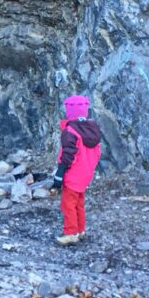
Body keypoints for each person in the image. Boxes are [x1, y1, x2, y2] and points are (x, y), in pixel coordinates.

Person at [50, 94, 102, 246]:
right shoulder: (93, 129)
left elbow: (68, 156)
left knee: (68, 204)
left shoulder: (70, 131)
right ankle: (80, 230)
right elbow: (97, 153)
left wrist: (59, 174)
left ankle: (70, 232)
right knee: (79, 202)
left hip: (73, 174)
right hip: (86, 173)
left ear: (69, 111)